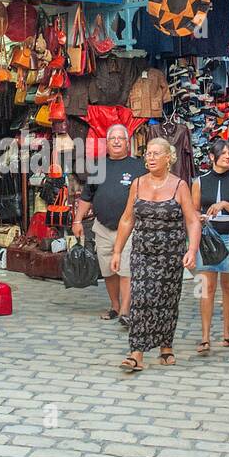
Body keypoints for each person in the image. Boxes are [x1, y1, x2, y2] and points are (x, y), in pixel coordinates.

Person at [111, 138, 201, 372]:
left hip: (171, 254)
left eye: (155, 154)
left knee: (167, 300)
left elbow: (192, 221)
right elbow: (127, 218)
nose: (150, 158)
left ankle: (165, 345)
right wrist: (118, 250)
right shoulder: (138, 184)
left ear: (168, 158)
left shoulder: (180, 185)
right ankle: (136, 353)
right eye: (148, 154)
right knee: (140, 299)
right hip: (142, 252)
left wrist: (192, 249)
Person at [74, 124, 144, 325]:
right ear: (107, 142)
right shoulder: (98, 166)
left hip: (130, 228)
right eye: (112, 138)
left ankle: (125, 311)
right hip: (103, 227)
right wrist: (78, 220)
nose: (116, 141)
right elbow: (87, 196)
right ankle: (114, 306)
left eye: (120, 138)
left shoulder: (138, 167)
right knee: (108, 270)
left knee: (126, 269)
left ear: (127, 143)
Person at [192, 139, 229, 354]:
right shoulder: (200, 182)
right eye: (222, 153)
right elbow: (192, 211)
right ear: (212, 157)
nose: (227, 157)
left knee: (228, 286)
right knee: (206, 287)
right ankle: (205, 336)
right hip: (206, 239)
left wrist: (225, 205)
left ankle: (226, 332)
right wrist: (201, 217)